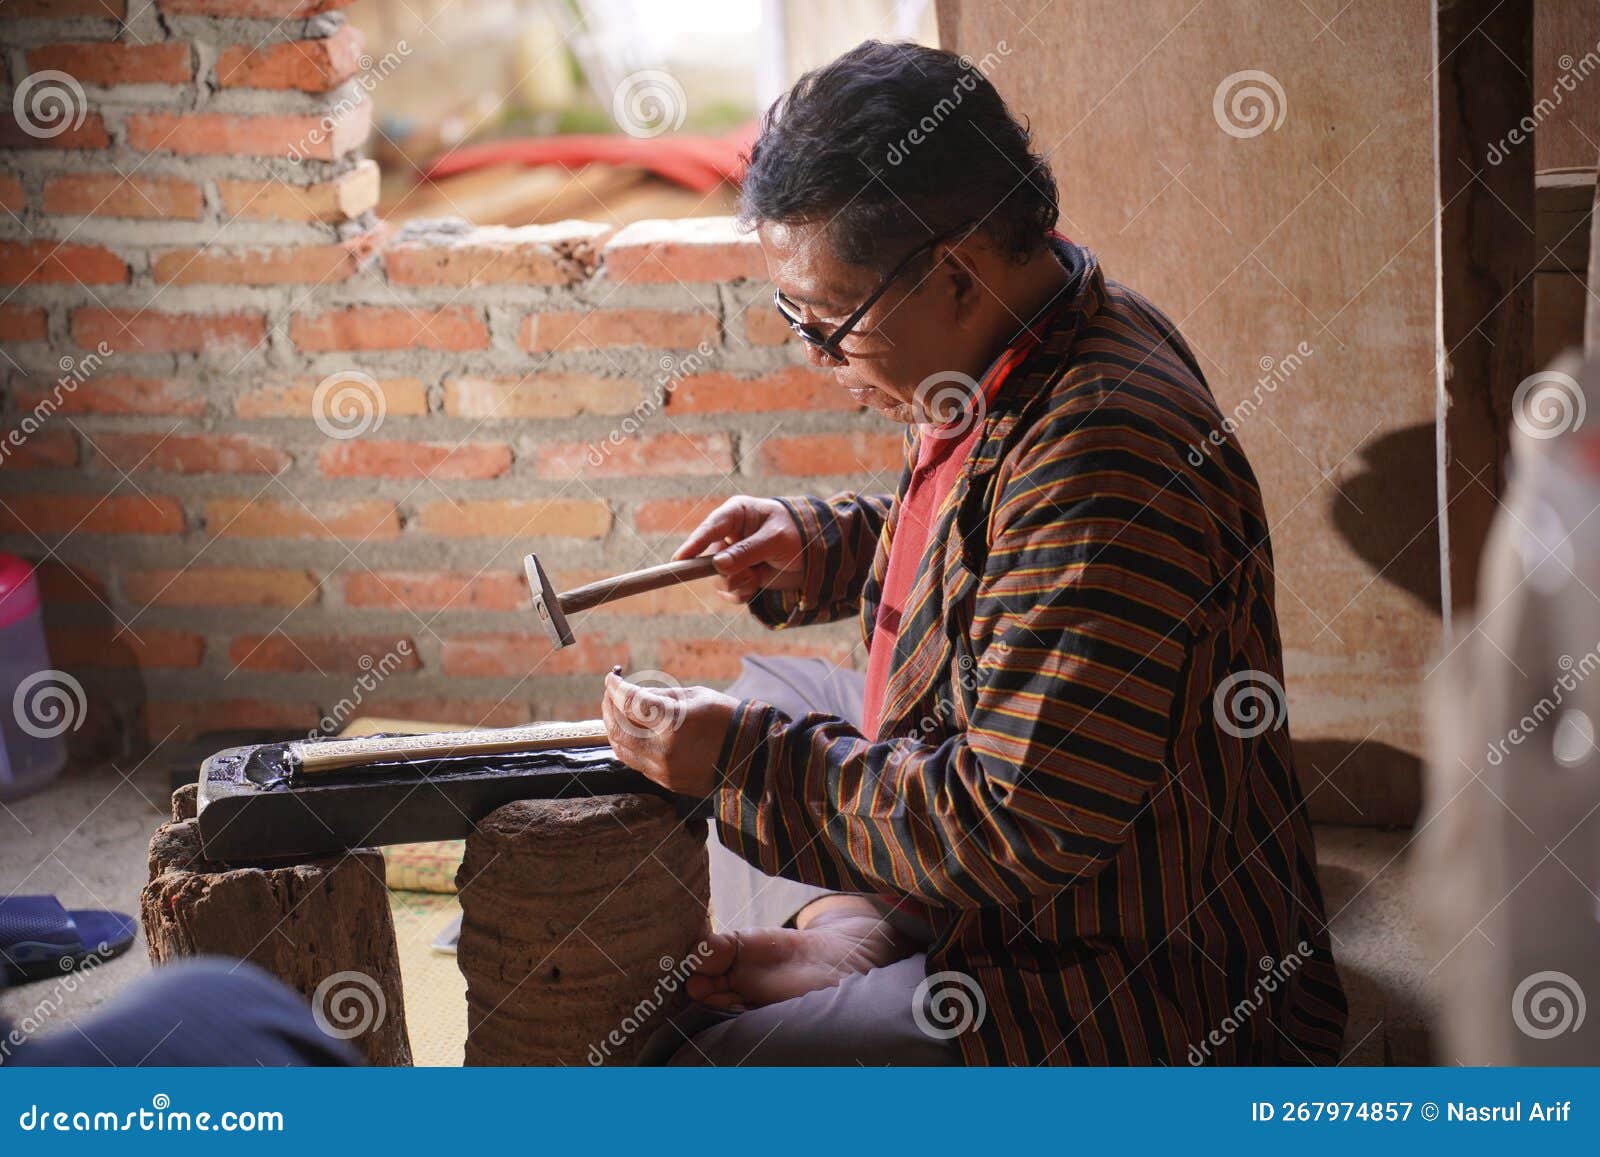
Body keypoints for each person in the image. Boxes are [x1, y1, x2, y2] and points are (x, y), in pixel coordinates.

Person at [604, 40, 1348, 1066]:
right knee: (770, 686)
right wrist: (819, 543)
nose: (817, 355)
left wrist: (737, 760)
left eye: (830, 321)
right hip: (1023, 852)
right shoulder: (1037, 323)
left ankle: (874, 936)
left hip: (1128, 975)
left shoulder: (1105, 451)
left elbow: (1006, 821)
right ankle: (867, 929)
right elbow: (989, 539)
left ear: (954, 272)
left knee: (679, 1065)